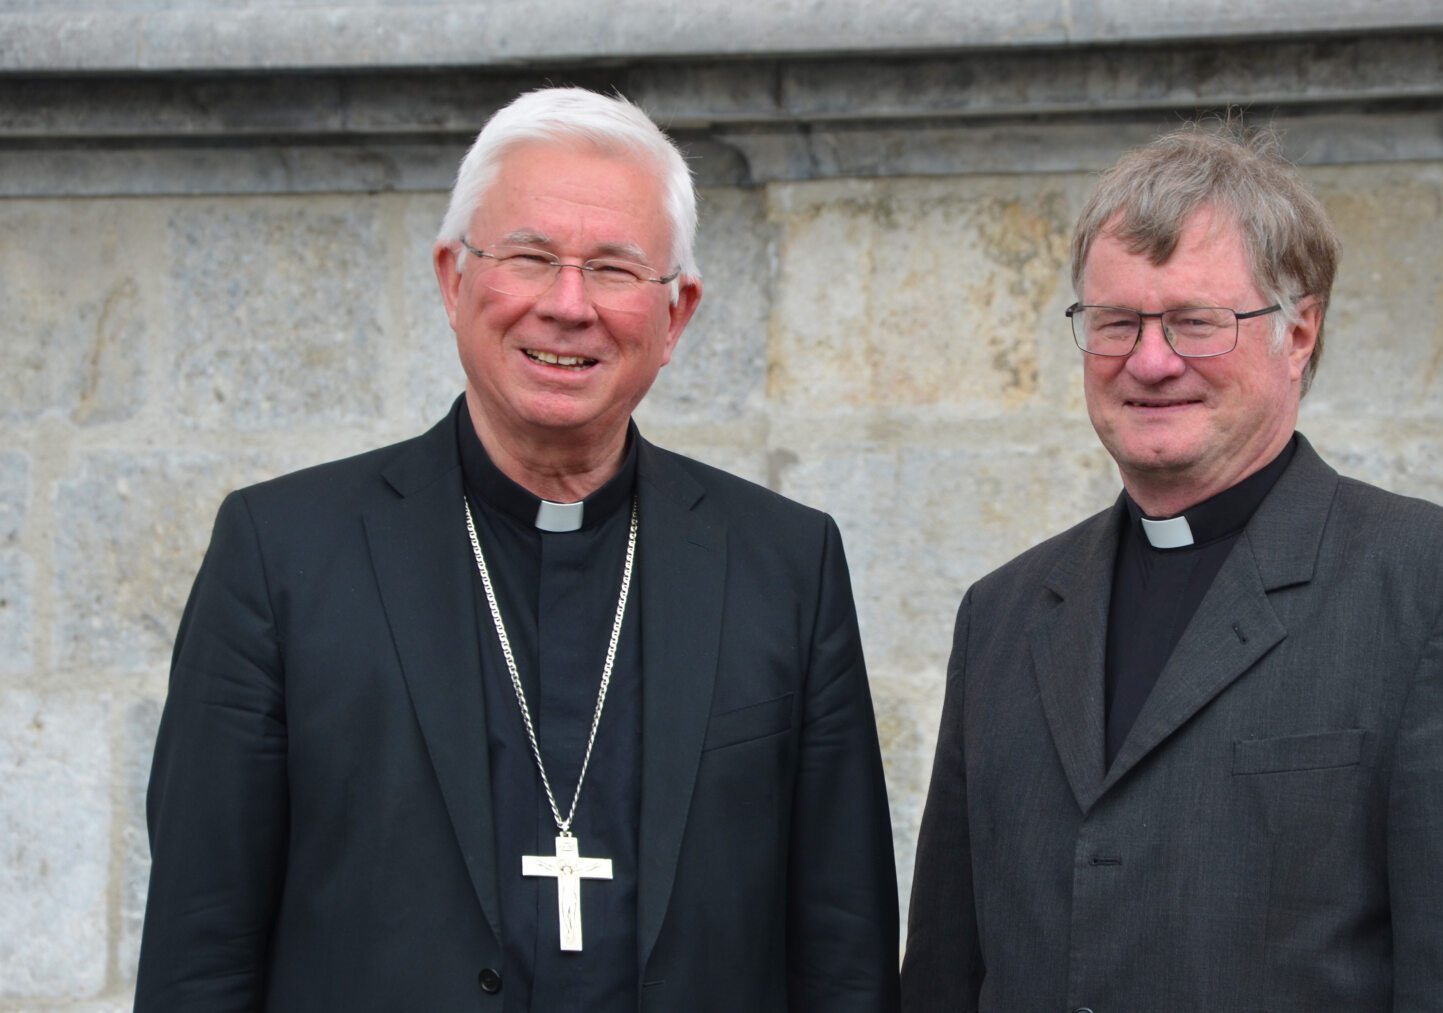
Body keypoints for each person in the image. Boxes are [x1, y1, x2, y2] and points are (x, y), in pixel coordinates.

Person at [136, 87, 899, 1012]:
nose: (568, 306)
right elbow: (199, 952)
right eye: (530, 258)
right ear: (454, 280)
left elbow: (845, 957)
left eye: (616, 270)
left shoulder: (786, 566)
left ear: (678, 313)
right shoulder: (280, 553)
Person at [901, 126, 1443, 1011]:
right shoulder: (1003, 614)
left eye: (1195, 322)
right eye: (1117, 322)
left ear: (1297, 333)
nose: (1150, 360)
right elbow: (946, 980)